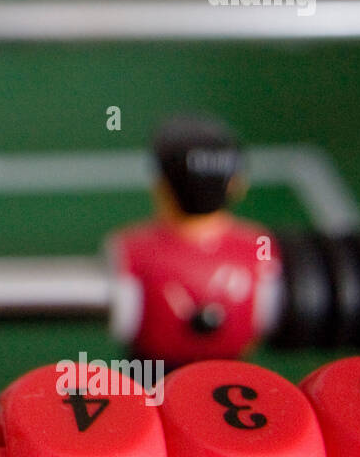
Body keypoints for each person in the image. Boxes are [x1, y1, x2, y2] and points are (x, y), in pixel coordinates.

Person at [107, 115, 280, 368]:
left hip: (148, 380)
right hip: (233, 382)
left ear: (161, 186)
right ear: (236, 185)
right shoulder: (262, 251)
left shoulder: (129, 252)